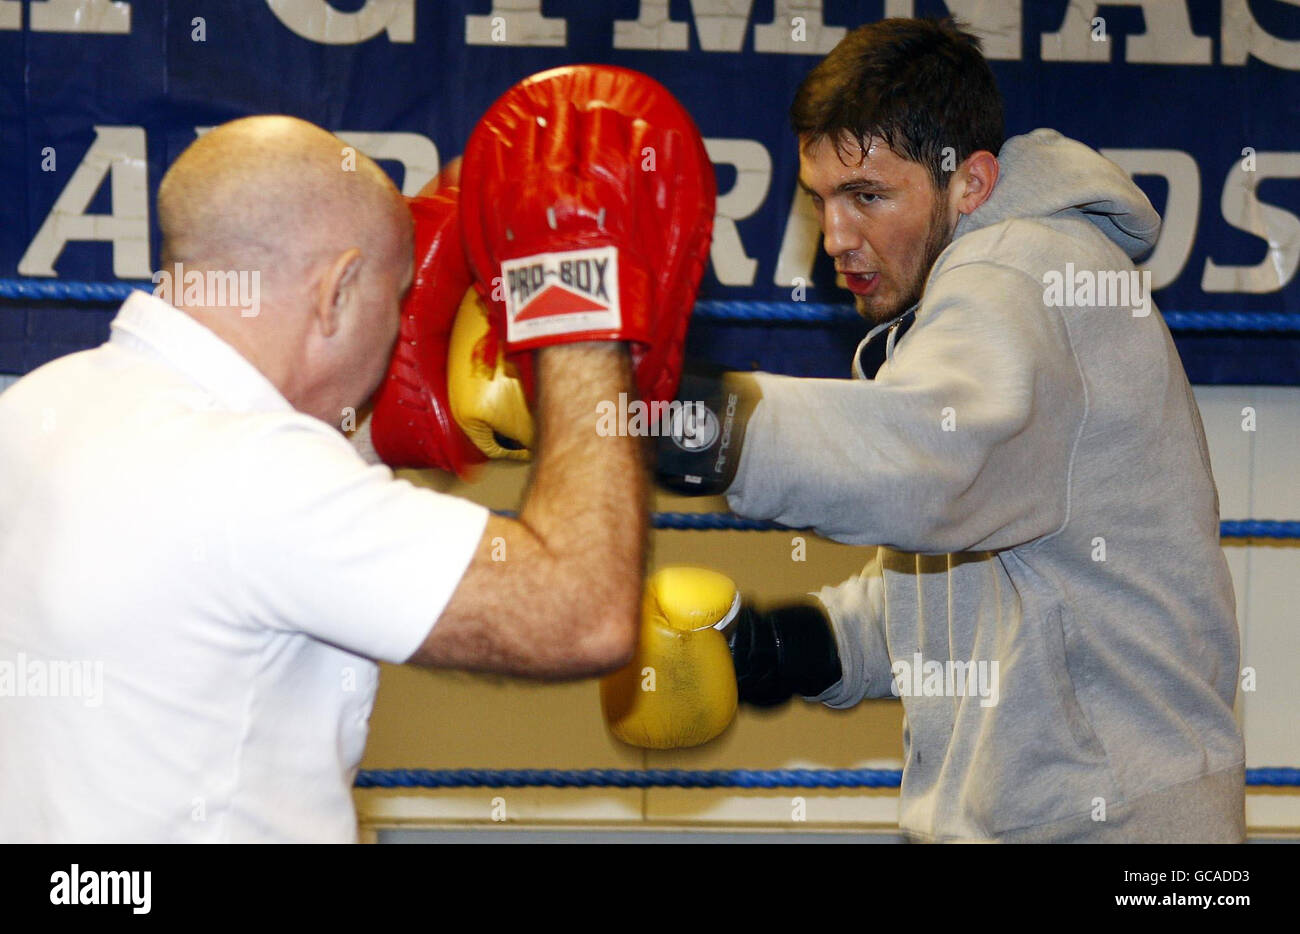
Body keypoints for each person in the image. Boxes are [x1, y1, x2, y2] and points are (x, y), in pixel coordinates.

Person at [0, 92, 701, 841]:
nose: (407, 328)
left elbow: (239, 537)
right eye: (399, 300)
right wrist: (575, 310)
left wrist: (373, 436)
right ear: (336, 292)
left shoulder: (39, 407)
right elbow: (581, 616)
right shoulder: (259, 476)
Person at [643, 17, 1246, 843]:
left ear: (970, 182)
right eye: (819, 199)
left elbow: (926, 468)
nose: (836, 238)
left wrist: (686, 419)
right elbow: (980, 590)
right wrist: (794, 646)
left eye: (867, 196)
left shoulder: (1018, 275)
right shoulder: (983, 295)